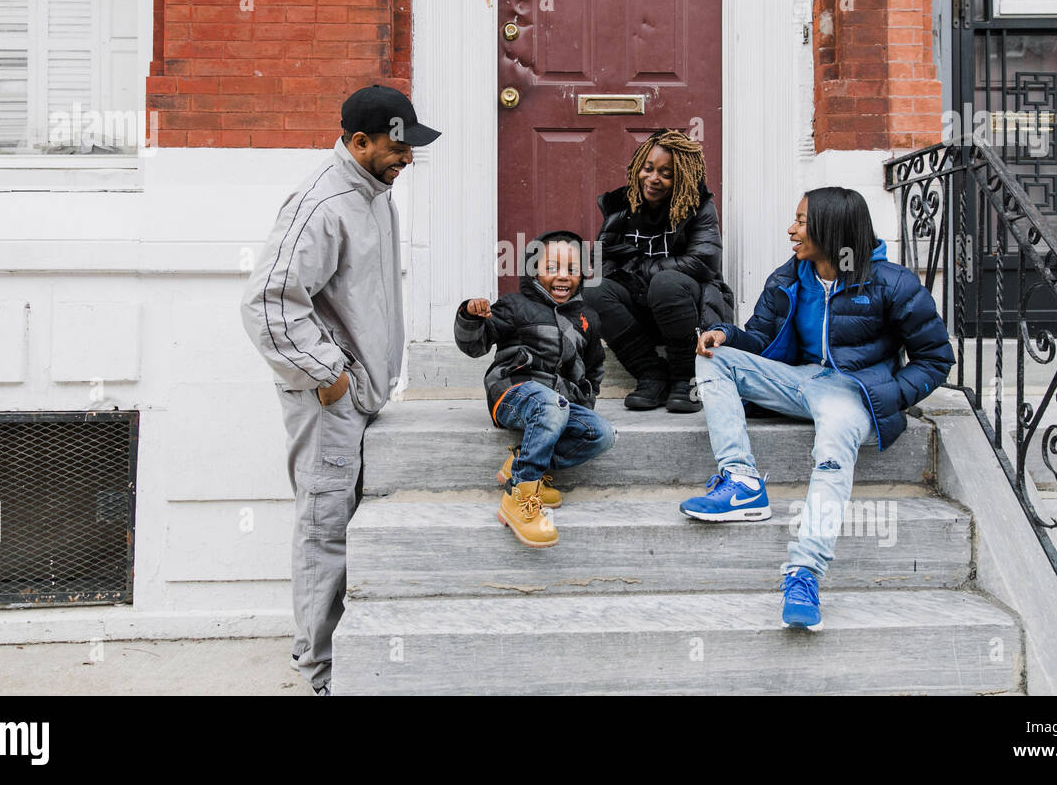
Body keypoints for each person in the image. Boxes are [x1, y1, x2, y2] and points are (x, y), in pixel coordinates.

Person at [239, 83, 440, 695]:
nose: (408, 159)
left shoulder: (375, 194)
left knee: (347, 523)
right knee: (326, 526)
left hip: (359, 397)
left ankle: (345, 655)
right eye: (398, 148)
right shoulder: (323, 203)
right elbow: (267, 306)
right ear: (358, 142)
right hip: (331, 402)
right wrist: (332, 376)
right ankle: (320, 673)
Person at [678, 186, 953, 631]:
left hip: (852, 392)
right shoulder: (790, 278)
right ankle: (742, 481)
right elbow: (760, 339)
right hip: (799, 380)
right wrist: (726, 335)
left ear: (833, 228)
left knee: (832, 452)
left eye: (802, 221)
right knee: (712, 356)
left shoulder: (893, 283)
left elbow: (935, 359)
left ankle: (805, 572)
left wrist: (887, 397)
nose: (792, 230)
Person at [455, 231, 616, 548]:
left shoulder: (586, 318)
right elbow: (475, 345)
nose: (562, 276)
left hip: (558, 402)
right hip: (513, 392)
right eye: (552, 267)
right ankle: (520, 495)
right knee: (551, 405)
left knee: (602, 432)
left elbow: (595, 365)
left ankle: (522, 464)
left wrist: (586, 397)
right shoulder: (516, 305)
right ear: (533, 271)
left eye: (572, 269)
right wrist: (470, 318)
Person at [583, 129, 734, 413]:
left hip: (686, 308)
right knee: (593, 288)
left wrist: (636, 268)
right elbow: (602, 262)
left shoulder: (698, 206)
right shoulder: (621, 207)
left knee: (666, 283)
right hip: (641, 309)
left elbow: (702, 262)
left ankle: (685, 377)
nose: (653, 178)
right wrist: (631, 276)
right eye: (648, 168)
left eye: (666, 173)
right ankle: (651, 374)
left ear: (682, 178)